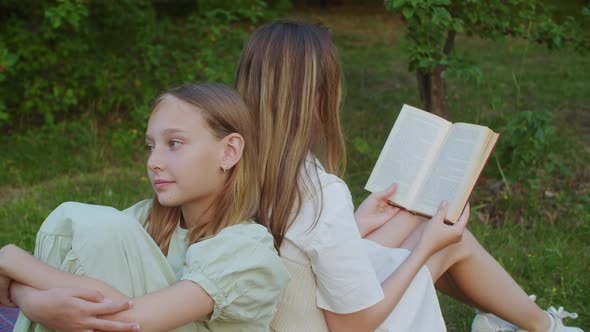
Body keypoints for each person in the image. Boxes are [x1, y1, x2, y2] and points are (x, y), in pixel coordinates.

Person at [234, 20, 583, 332]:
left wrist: (355, 224)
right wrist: (426, 249)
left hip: (291, 310)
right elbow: (351, 325)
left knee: (411, 219)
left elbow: (294, 253)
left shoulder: (234, 162)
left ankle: (511, 319)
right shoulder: (320, 190)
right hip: (334, 322)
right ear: (319, 97)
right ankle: (542, 327)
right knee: (445, 240)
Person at [0, 83, 290, 332]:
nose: (153, 162)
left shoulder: (247, 250)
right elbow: (65, 266)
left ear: (229, 152)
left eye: (174, 144)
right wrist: (30, 299)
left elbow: (130, 322)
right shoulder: (145, 221)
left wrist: (12, 260)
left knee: (99, 224)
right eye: (151, 146)